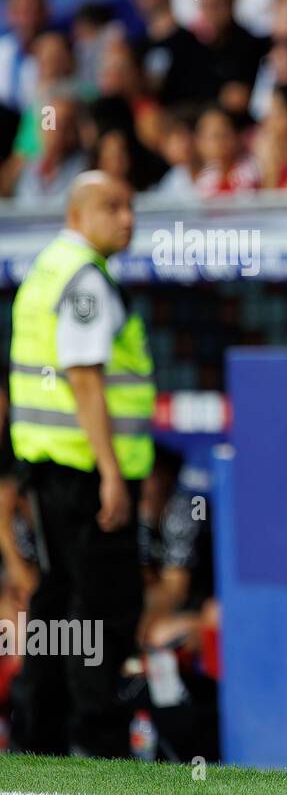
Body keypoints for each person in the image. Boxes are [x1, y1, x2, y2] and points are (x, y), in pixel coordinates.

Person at [8, 171, 156, 757]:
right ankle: (99, 745)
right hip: (87, 475)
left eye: (130, 205)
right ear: (77, 214)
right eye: (111, 207)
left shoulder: (46, 269)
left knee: (55, 604)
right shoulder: (85, 281)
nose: (127, 218)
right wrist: (113, 474)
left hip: (52, 470)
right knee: (104, 610)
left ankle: (35, 738)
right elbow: (86, 378)